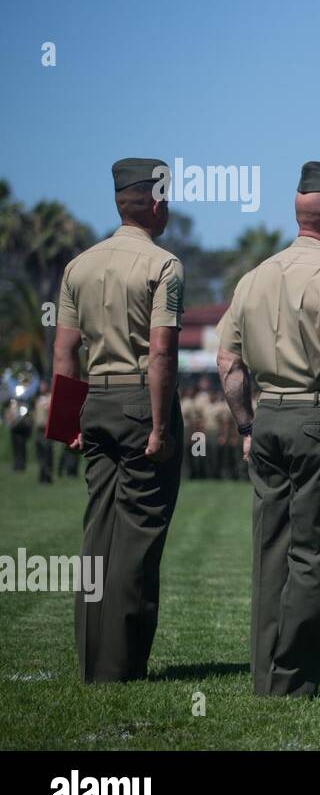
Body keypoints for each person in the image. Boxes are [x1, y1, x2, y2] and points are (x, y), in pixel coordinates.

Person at [215, 161, 320, 696]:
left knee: (270, 552)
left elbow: (228, 364)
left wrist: (245, 425)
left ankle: (265, 675)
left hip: (267, 418)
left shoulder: (254, 276)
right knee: (316, 553)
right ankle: (292, 674)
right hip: (315, 417)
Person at [52, 157, 185, 683]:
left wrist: (67, 423)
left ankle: (91, 660)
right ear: (155, 204)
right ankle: (122, 664)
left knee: (97, 531)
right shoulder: (164, 266)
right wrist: (158, 426)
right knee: (139, 534)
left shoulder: (77, 266)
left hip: (94, 402)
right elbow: (162, 353)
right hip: (138, 401)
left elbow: (64, 353)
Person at [33, 381, 53, 484]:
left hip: (46, 430)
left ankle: (47, 476)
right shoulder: (37, 399)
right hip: (38, 430)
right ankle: (42, 476)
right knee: (40, 455)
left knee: (47, 454)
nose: (42, 387)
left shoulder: (50, 398)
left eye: (43, 385)